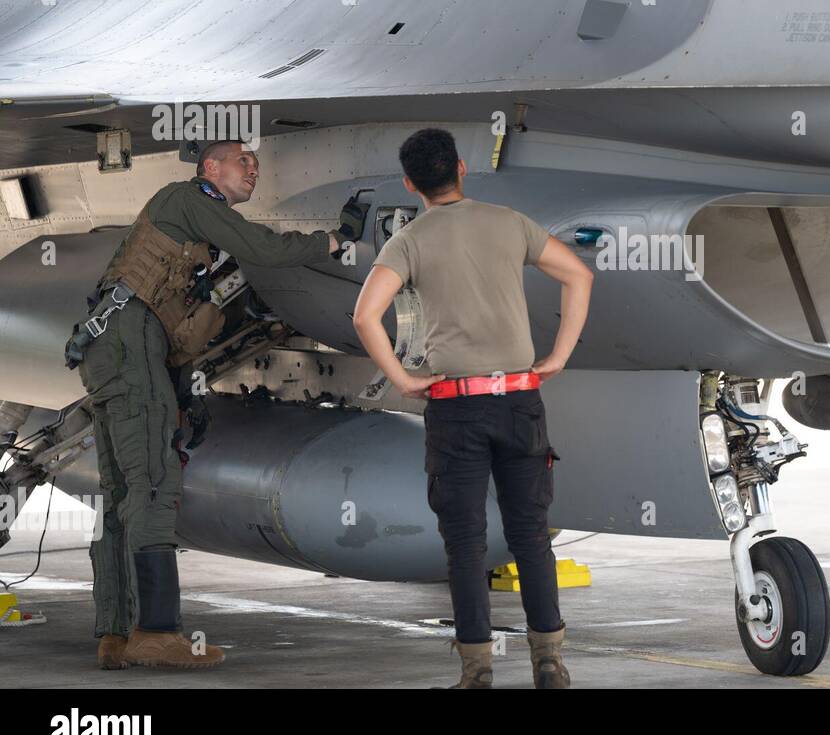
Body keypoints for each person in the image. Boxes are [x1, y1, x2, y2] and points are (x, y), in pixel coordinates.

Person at [73, 141, 346, 670]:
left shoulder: (187, 228)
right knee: (154, 483)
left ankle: (115, 633)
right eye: (240, 161)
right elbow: (262, 247)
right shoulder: (189, 198)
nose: (253, 168)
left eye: (255, 162)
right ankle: (156, 633)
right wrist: (332, 241)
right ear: (209, 169)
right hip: (128, 343)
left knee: (122, 491)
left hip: (111, 346)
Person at [353, 128, 593, 689]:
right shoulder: (509, 223)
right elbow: (579, 275)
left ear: (411, 183)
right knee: (531, 534)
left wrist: (403, 379)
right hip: (519, 400)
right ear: (462, 168)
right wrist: (556, 355)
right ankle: (549, 662)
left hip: (455, 407)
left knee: (464, 544)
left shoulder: (408, 241)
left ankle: (477, 670)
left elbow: (366, 317)